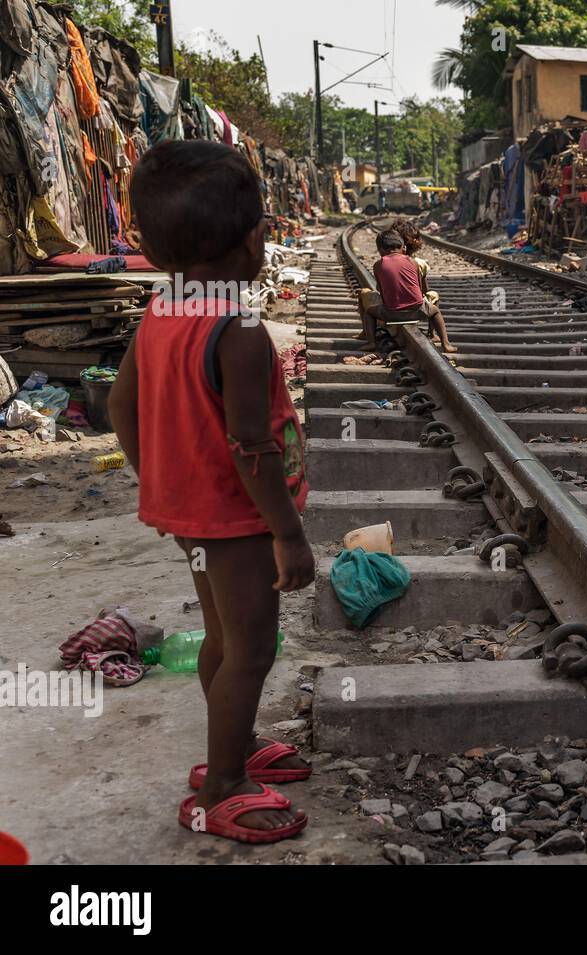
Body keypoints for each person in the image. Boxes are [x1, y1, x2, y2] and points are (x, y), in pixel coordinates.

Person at [108, 140, 314, 843]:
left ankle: (238, 744)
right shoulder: (241, 331)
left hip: (193, 517)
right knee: (252, 647)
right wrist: (286, 531)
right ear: (254, 239)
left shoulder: (162, 310)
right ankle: (224, 784)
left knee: (223, 638)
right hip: (238, 520)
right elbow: (252, 450)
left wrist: (161, 482)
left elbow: (119, 407)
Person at [392, 219, 456, 353]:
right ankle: (434, 334)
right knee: (433, 296)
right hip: (415, 310)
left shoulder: (385, 263)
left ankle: (369, 336)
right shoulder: (420, 263)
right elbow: (424, 290)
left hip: (391, 309)